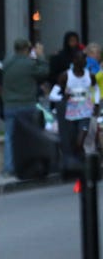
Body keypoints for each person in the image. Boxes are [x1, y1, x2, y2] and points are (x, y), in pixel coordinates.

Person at [1, 38, 48, 176]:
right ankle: (29, 165)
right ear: (27, 49)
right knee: (30, 136)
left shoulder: (7, 63)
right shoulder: (29, 64)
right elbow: (45, 72)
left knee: (9, 137)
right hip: (27, 104)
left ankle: (8, 168)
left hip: (10, 105)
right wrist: (40, 56)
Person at [52, 48, 96, 177]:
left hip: (85, 112)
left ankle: (83, 164)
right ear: (74, 61)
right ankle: (78, 166)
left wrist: (96, 103)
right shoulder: (65, 76)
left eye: (84, 59)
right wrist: (63, 97)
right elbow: (53, 94)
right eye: (80, 59)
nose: (83, 61)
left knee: (80, 140)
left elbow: (96, 89)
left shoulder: (90, 75)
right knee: (72, 141)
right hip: (71, 113)